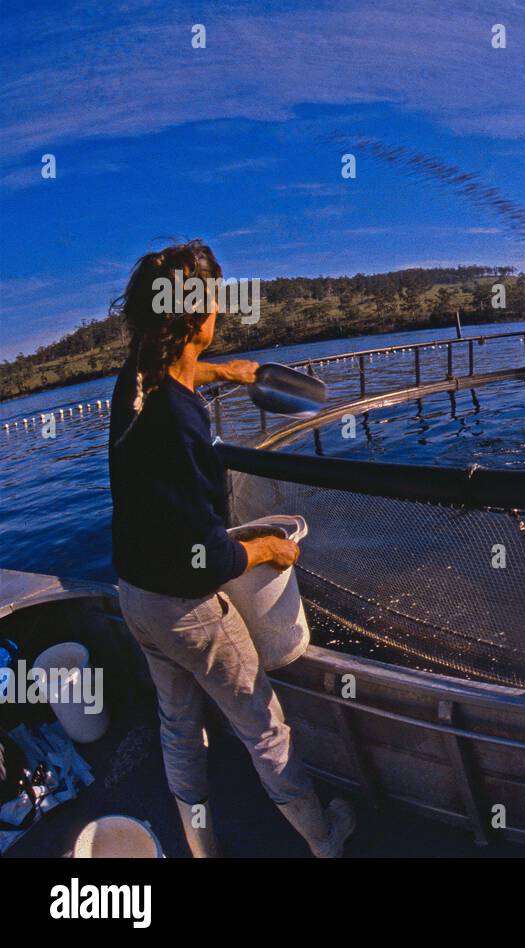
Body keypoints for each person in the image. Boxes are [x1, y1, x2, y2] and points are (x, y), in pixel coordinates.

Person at [109, 241, 355, 856]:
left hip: (134, 596)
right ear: (194, 319)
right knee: (265, 730)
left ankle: (202, 850)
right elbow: (210, 558)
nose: (221, 313)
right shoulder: (182, 423)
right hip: (188, 611)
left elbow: (177, 374)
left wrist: (231, 371)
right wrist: (269, 546)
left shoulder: (135, 382)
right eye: (214, 303)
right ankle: (325, 839)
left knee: (177, 730)